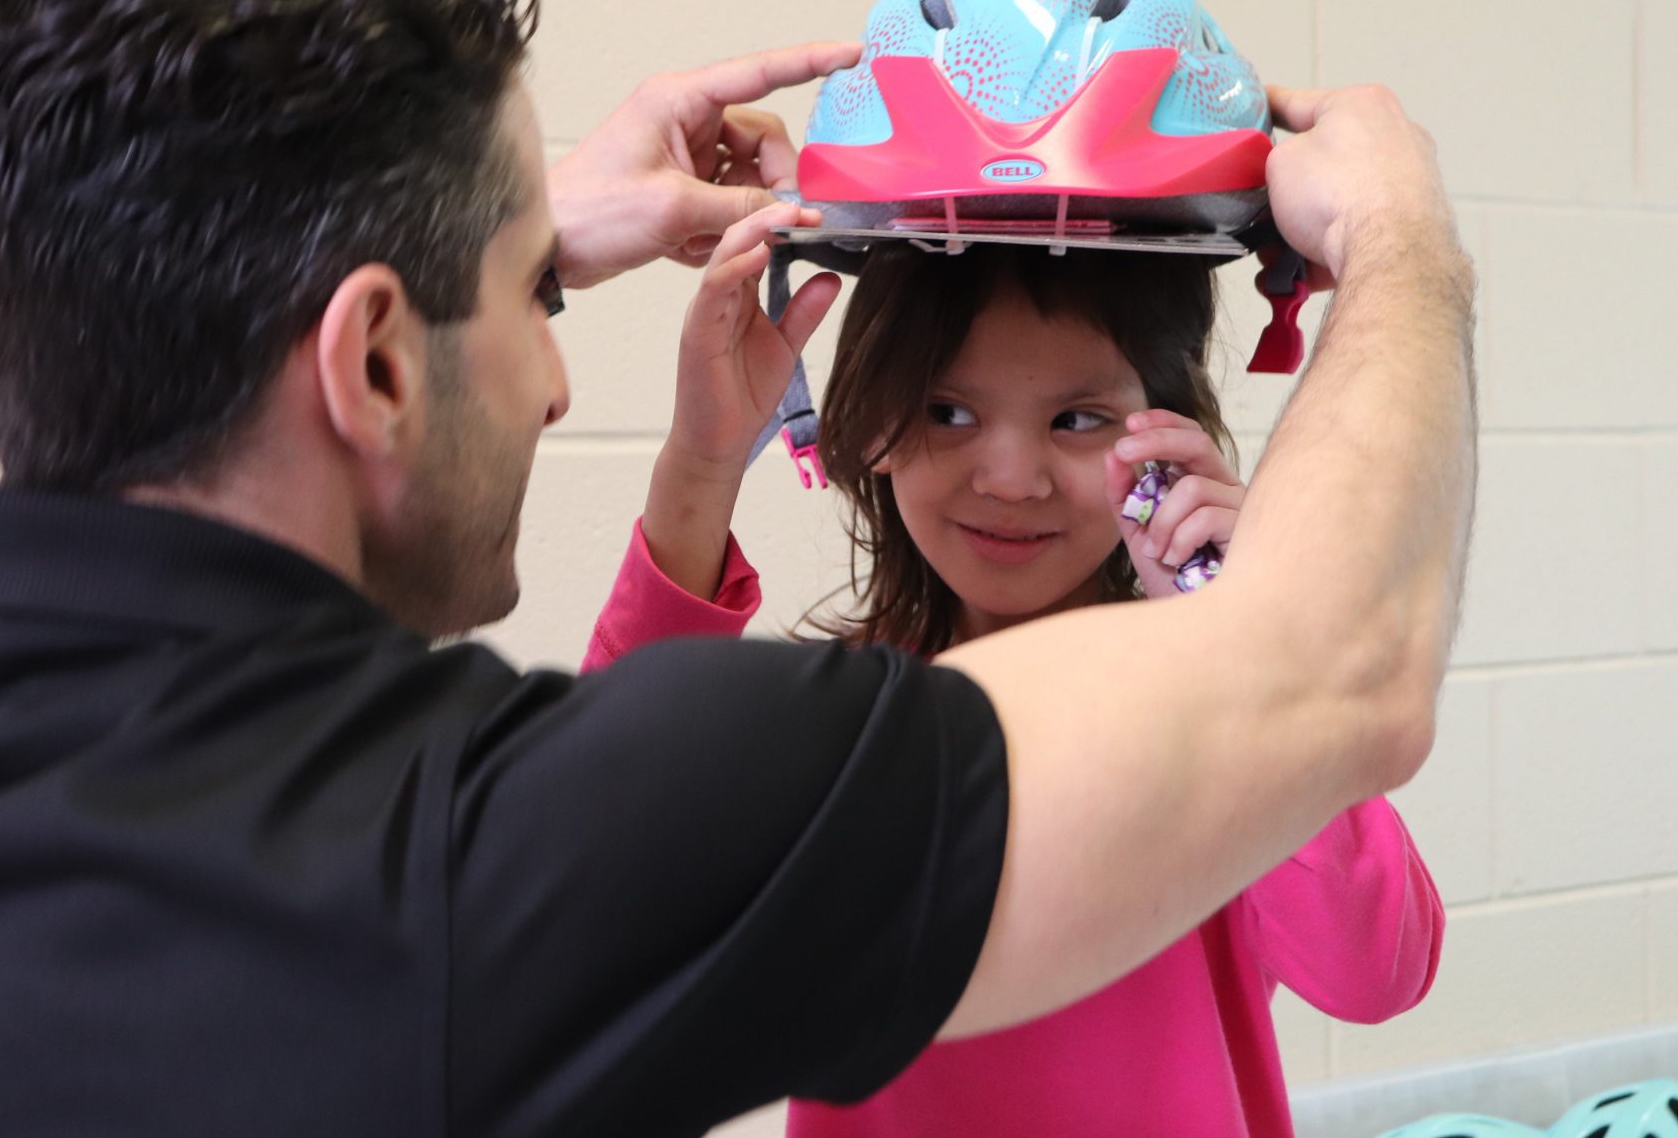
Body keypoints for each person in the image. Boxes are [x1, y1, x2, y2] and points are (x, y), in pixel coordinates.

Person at [0, 0, 1474, 1138]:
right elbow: (1333, 671)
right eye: (534, 300)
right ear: (366, 363)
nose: (560, 356)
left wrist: (466, 256)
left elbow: (1366, 941)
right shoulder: (471, 860)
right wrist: (1398, 248)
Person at [585, 227, 1444, 1136]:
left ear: (1164, 438)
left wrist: (1249, 633)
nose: (1009, 479)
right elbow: (595, 876)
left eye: (1076, 420)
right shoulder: (829, 727)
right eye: (949, 411)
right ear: (876, 422)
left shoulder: (1218, 712)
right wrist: (701, 467)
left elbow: (1377, 974)